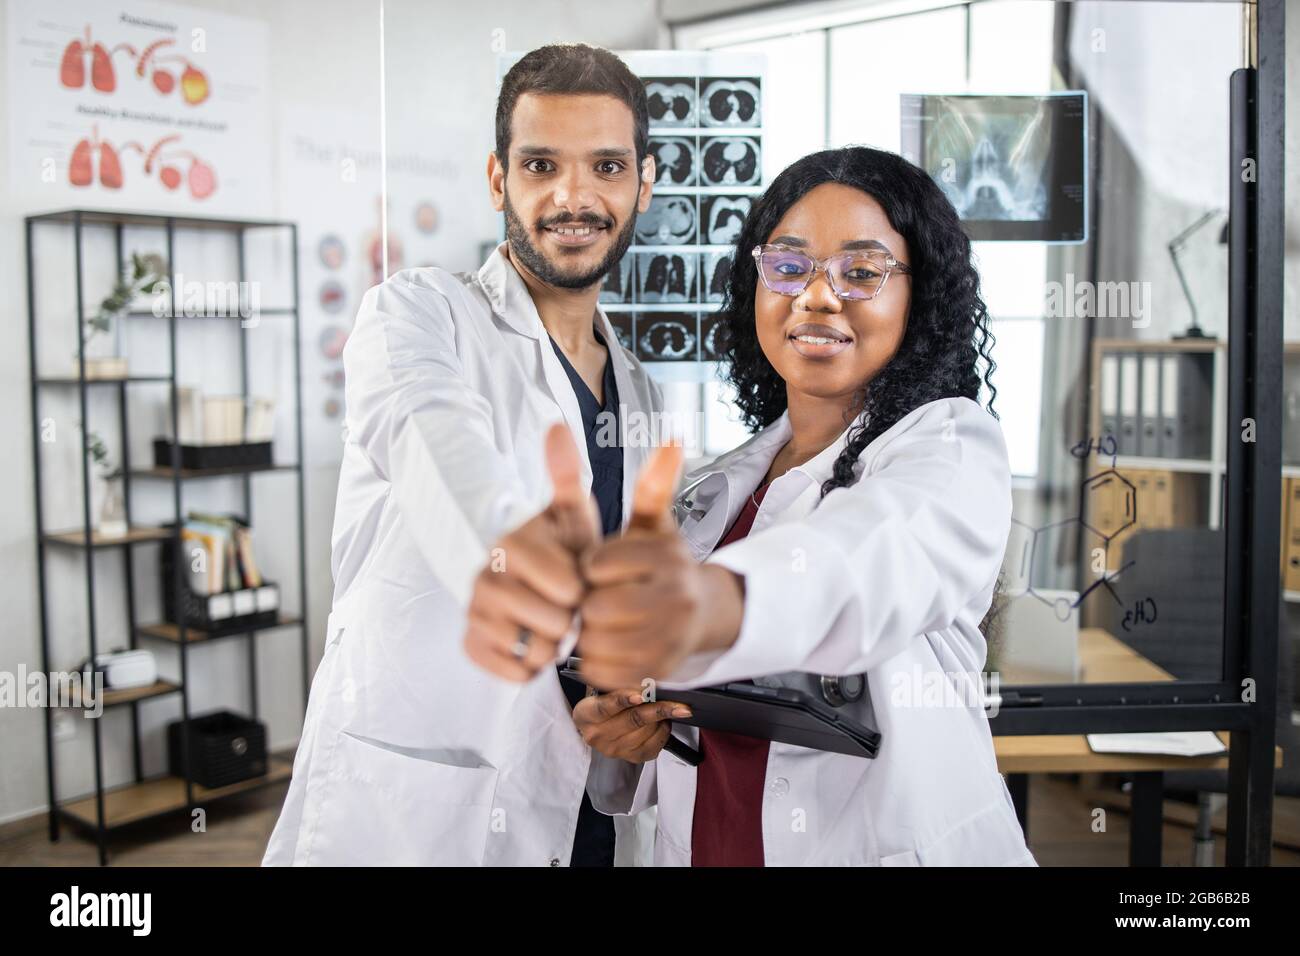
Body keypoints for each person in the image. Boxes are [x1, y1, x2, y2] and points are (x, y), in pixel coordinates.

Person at [569, 146, 1038, 866]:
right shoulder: (719, 491)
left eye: (861, 272)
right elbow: (699, 722)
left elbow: (857, 567)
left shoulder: (952, 451)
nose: (816, 296)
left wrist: (705, 604)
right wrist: (629, 737)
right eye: (789, 266)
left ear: (920, 297)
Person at [263, 43, 663, 866]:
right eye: (541, 163)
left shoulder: (640, 391)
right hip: (419, 808)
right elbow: (449, 472)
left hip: (578, 797)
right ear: (497, 180)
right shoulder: (415, 317)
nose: (573, 196)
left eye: (607, 166)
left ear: (644, 184)